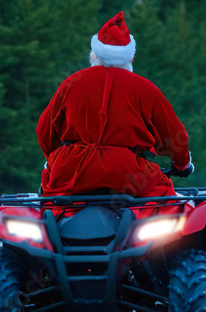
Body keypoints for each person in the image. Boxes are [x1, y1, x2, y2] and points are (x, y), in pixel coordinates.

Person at [37, 12, 194, 198]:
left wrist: (55, 159)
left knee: (49, 207)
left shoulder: (71, 83)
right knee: (164, 201)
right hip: (126, 173)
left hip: (71, 172)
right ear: (130, 58)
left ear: (94, 55)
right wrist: (182, 164)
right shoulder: (144, 88)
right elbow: (173, 133)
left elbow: (44, 129)